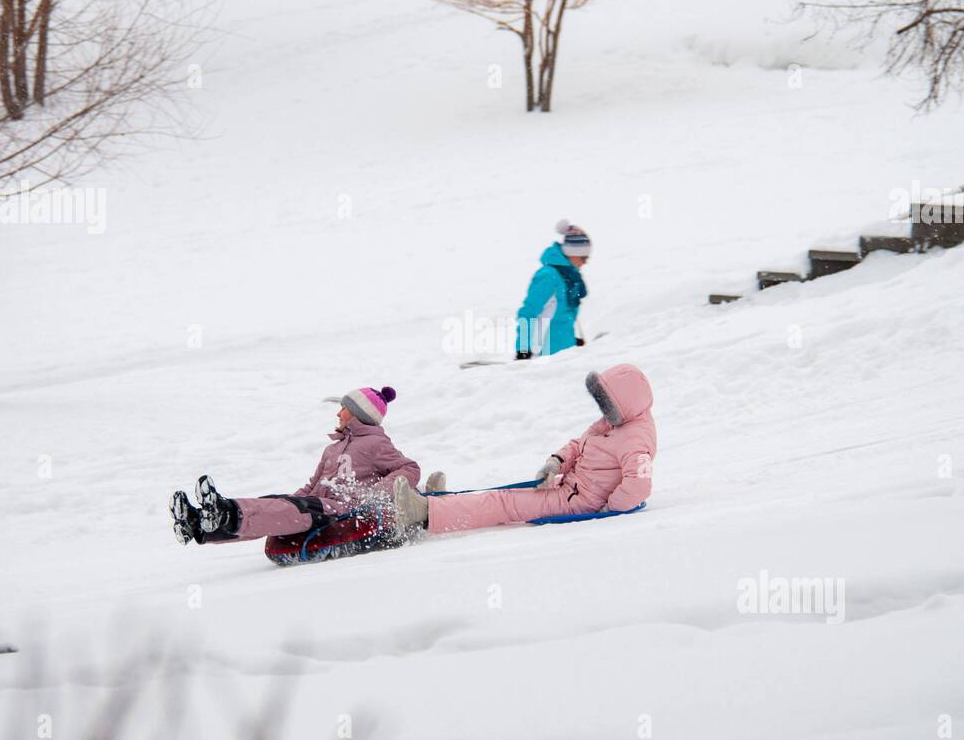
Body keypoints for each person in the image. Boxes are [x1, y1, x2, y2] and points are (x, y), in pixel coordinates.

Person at [393, 364, 656, 533]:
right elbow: (579, 445)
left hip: (576, 504)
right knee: (507, 493)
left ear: (624, 405)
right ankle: (442, 502)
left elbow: (639, 485)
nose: (601, 409)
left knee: (503, 504)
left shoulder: (636, 439)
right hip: (567, 488)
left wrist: (608, 510)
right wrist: (556, 462)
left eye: (606, 404)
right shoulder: (612, 423)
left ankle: (425, 512)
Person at [170, 385, 431, 546]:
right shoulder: (332, 449)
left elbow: (409, 469)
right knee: (277, 504)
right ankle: (200, 525)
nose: (338, 413)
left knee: (288, 509)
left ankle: (225, 512)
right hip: (317, 503)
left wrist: (378, 493)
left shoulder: (375, 444)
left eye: (343, 408)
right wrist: (289, 499)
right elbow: (311, 485)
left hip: (340, 510)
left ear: (357, 414)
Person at [514, 219, 591, 360]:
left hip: (562, 357)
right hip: (540, 358)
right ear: (572, 252)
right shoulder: (548, 277)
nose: (586, 261)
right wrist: (523, 350)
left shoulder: (569, 279)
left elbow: (559, 319)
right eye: (583, 257)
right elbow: (528, 313)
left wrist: (572, 342)